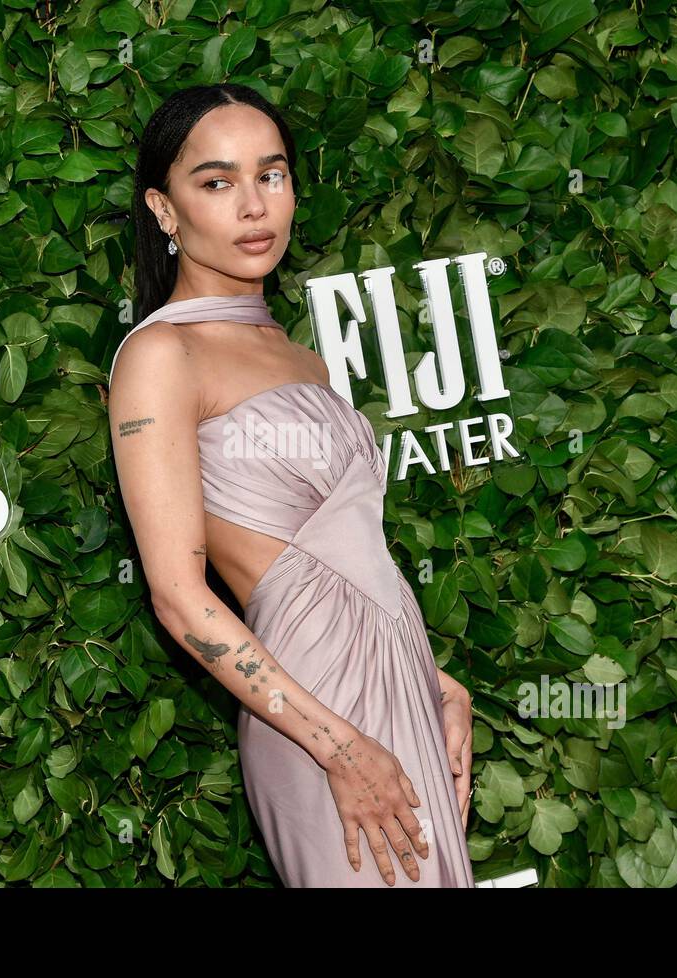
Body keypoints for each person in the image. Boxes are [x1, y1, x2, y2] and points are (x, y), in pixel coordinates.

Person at [107, 83, 475, 887]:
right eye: (215, 182)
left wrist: (438, 682)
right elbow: (179, 596)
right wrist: (340, 747)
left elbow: (344, 553)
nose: (252, 206)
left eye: (270, 175)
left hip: (397, 694)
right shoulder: (159, 358)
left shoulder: (301, 357)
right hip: (315, 724)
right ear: (164, 211)